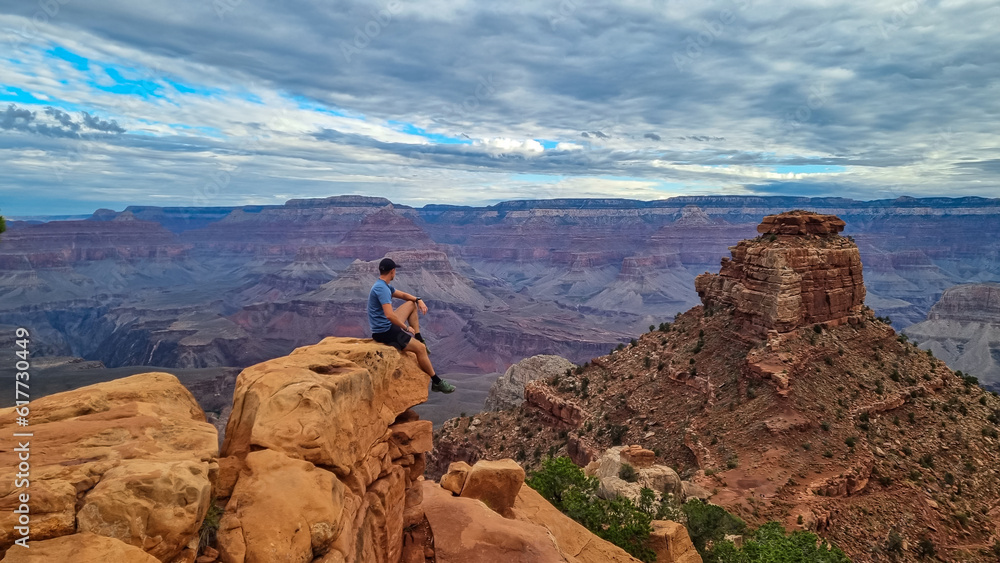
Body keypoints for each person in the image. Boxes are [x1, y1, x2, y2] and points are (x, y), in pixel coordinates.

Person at [368, 257, 456, 393]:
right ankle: (437, 382)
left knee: (411, 304)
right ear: (392, 271)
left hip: (385, 325)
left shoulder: (382, 285)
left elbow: (403, 295)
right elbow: (389, 315)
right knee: (420, 349)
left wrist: (418, 300)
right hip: (385, 332)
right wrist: (406, 328)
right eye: (395, 270)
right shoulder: (382, 289)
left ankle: (420, 337)